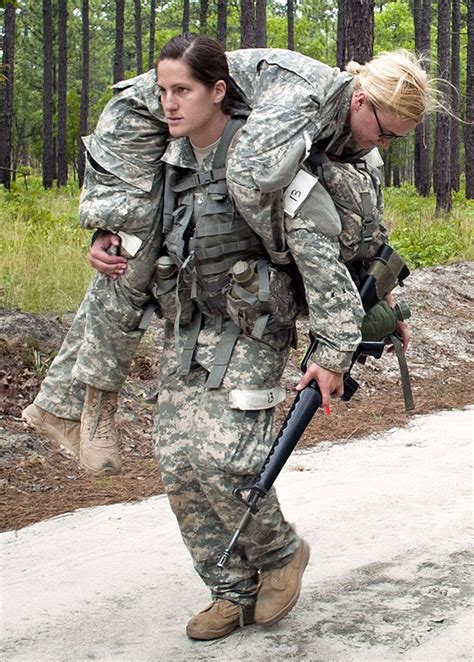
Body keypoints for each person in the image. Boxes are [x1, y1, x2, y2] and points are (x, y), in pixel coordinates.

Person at [22, 41, 432, 476]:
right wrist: (280, 247)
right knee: (132, 251)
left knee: (135, 245)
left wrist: (379, 296)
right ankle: (93, 406)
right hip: (139, 124)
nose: (384, 144)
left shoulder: (346, 126)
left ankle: (56, 403)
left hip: (183, 114)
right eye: (385, 132)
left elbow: (360, 221)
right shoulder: (301, 98)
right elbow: (252, 176)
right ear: (362, 99)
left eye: (395, 138)